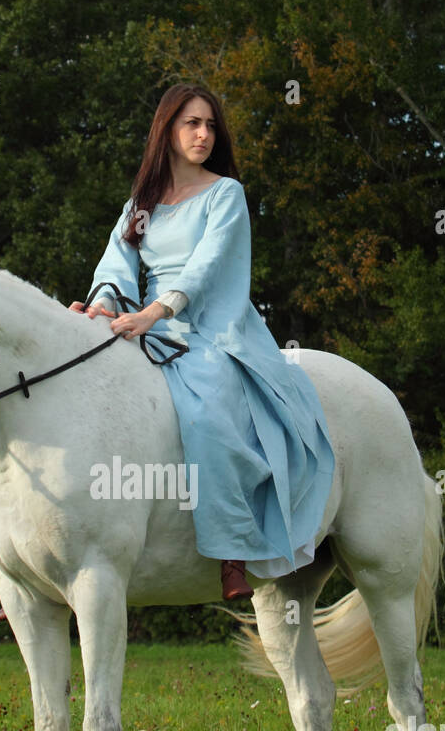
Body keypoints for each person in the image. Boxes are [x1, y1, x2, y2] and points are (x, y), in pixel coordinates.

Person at [71, 84, 335, 601]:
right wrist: (102, 305)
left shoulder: (224, 194)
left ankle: (233, 548)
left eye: (210, 125)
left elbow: (207, 266)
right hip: (144, 321)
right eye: (192, 123)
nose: (203, 134)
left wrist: (156, 312)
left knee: (206, 408)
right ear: (167, 130)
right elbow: (117, 266)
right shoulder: (140, 205)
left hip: (210, 329)